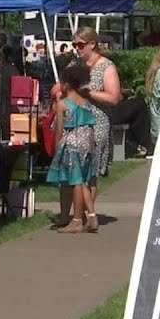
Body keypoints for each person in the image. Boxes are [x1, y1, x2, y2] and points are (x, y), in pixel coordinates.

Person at [53, 27, 120, 232]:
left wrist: (88, 92)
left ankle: (83, 216)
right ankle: (70, 215)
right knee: (68, 169)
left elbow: (114, 97)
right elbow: (62, 85)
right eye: (74, 45)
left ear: (92, 44)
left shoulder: (106, 67)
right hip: (73, 123)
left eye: (80, 45)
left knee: (88, 173)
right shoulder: (75, 64)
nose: (77, 49)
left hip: (95, 123)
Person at [48, 65, 98, 234]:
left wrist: (57, 149)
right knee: (84, 179)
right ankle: (90, 215)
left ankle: (76, 219)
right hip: (88, 142)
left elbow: (59, 129)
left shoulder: (63, 104)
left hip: (72, 143)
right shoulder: (87, 102)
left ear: (66, 85)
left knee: (76, 181)